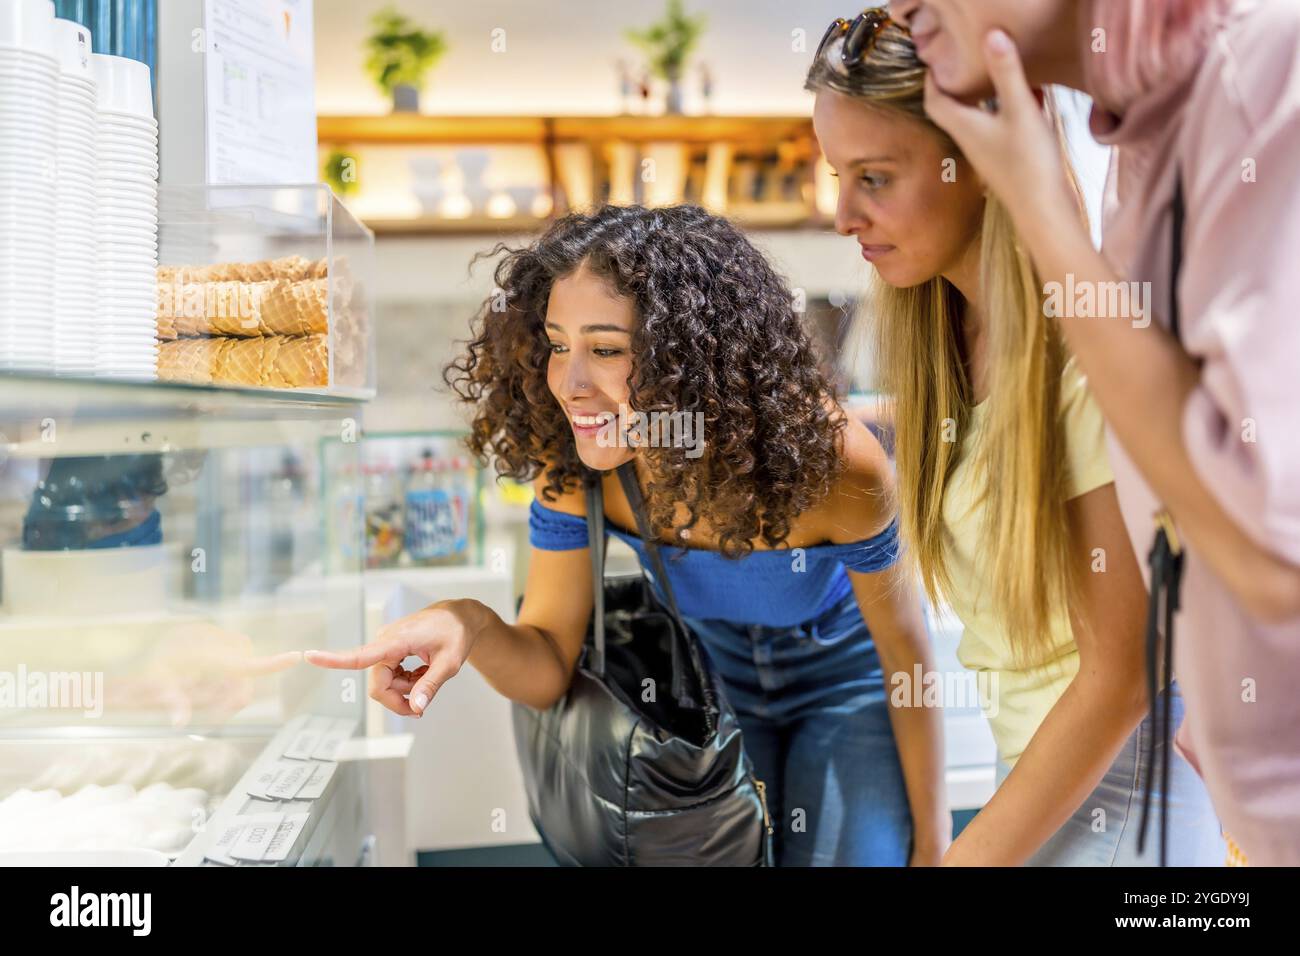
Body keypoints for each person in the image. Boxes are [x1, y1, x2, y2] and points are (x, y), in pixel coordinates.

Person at [308, 203, 949, 866]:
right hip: (707, 680)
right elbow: (547, 670)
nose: (570, 383)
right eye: (559, 345)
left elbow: (907, 654)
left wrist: (935, 847)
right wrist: (467, 622)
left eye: (606, 349)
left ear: (699, 359)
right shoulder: (576, 470)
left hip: (844, 684)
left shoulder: (836, 465)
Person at [806, 11, 1224, 864]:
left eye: (875, 178)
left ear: (984, 160)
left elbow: (1119, 676)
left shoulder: (1084, 352)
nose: (844, 214)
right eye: (837, 176)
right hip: (1039, 798)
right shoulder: (951, 349)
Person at [891, 0, 1300, 866]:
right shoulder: (1140, 159)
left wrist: (1038, 211)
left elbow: (1268, 546)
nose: (899, 10)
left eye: (875, 176)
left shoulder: (1261, 79)